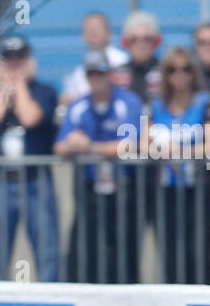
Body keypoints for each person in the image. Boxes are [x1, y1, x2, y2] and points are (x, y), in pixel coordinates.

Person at [56, 50, 145, 283]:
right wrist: (72, 145)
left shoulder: (128, 102)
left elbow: (130, 145)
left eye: (101, 73)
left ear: (111, 75)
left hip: (123, 190)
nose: (96, 79)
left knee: (124, 256)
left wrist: (90, 147)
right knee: (84, 253)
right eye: (92, 74)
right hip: (88, 190)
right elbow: (60, 146)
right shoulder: (78, 106)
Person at [0, 35, 59, 280]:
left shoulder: (44, 91)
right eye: (8, 60)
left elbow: (30, 118)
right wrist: (4, 88)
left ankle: (50, 303)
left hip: (36, 182)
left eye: (19, 59)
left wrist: (19, 86)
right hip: (0, 182)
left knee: (47, 253)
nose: (14, 64)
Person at [149, 47, 210, 284]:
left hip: (199, 190)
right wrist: (161, 149)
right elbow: (144, 141)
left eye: (186, 69)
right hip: (166, 190)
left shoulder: (205, 102)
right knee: (170, 255)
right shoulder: (157, 106)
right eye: (173, 70)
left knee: (199, 253)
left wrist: (178, 152)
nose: (180, 75)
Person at [59, 11, 130, 105]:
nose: (93, 33)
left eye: (97, 28)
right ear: (83, 35)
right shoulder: (78, 71)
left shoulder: (123, 61)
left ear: (109, 33)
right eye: (88, 29)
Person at [119, 10, 163, 105]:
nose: (141, 44)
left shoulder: (168, 71)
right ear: (126, 42)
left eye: (147, 39)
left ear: (156, 41)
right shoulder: (118, 74)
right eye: (134, 40)